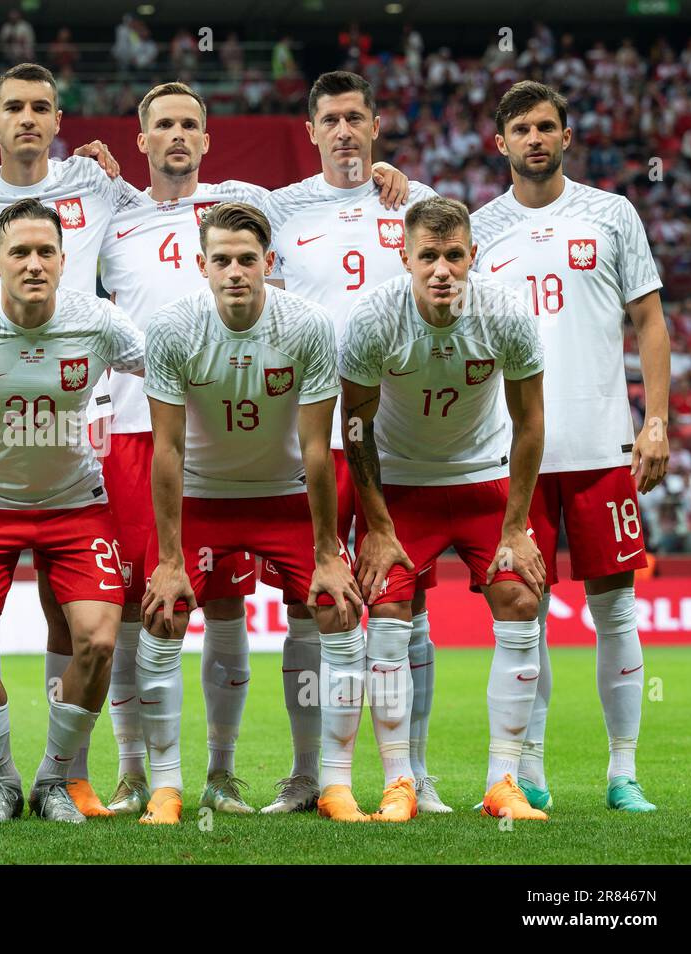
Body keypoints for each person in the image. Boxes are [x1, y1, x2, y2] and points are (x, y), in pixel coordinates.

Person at [0, 62, 142, 817]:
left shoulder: (98, 207)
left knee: (94, 638)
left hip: (77, 484)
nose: (37, 262)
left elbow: (176, 219)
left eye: (42, 106)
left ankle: (57, 776)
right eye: (13, 106)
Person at [471, 81, 668, 813]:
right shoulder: (479, 229)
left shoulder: (612, 214)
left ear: (567, 135)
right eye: (520, 128)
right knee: (524, 613)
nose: (535, 138)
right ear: (500, 143)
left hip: (600, 448)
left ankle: (623, 773)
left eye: (546, 126)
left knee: (615, 613)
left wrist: (655, 422)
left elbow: (649, 320)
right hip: (509, 457)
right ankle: (528, 770)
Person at [261, 70, 449, 813]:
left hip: (399, 438)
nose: (343, 130)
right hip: (307, 434)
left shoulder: (417, 204)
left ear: (376, 126)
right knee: (312, 606)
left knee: (412, 603)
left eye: (355, 118)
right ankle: (309, 774)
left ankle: (417, 774)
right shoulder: (277, 210)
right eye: (330, 119)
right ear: (310, 131)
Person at [140, 201, 362, 824]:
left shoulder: (309, 325)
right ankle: (168, 785)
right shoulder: (173, 327)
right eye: (222, 260)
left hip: (285, 494)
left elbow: (318, 448)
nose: (235, 271)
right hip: (204, 496)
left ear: (268, 263)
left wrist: (327, 552)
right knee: (162, 613)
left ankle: (323, 780)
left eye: (246, 260)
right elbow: (168, 448)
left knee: (336, 609)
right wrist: (168, 558)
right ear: (201, 266)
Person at [339, 197, 549, 822]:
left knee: (521, 598)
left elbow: (531, 422)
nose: (441, 270)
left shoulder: (506, 312)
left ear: (472, 256)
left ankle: (502, 782)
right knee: (390, 606)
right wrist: (377, 526)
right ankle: (399, 781)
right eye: (427, 256)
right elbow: (355, 425)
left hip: (483, 479)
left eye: (453, 255)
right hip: (402, 488)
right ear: (405, 257)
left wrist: (517, 525)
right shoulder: (374, 317)